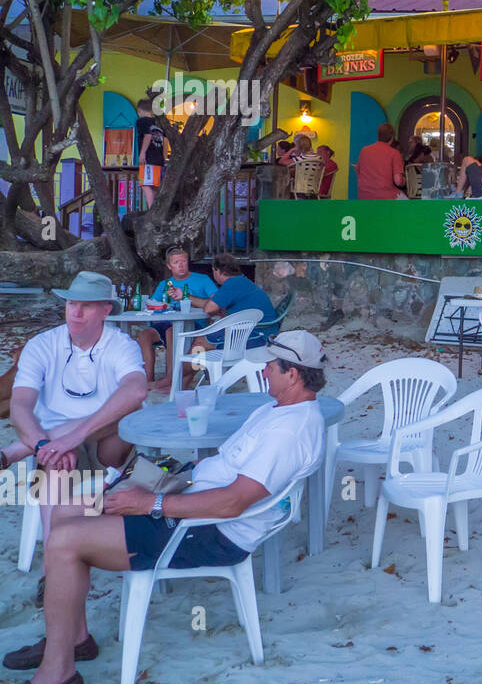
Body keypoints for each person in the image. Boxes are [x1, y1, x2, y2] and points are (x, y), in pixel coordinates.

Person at [0, 331, 327, 684]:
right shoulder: (277, 410)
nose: (265, 371)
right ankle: (73, 638)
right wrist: (166, 482)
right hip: (189, 502)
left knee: (65, 541)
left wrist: (151, 502)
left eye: (272, 366)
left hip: (207, 532)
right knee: (67, 508)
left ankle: (58, 674)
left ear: (294, 375)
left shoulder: (290, 430)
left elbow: (233, 502)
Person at [1, 272, 149, 611]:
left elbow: (137, 390)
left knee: (124, 413)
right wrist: (42, 445)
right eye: (70, 304)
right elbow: (20, 406)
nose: (75, 313)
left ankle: (11, 454)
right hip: (50, 447)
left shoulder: (119, 345)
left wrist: (75, 436)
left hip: (107, 446)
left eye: (85, 306)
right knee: (54, 466)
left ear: (106, 310)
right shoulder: (43, 344)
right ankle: (53, 572)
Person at [174, 254, 279, 389]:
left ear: (217, 270)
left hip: (255, 336)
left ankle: (174, 381)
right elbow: (212, 305)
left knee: (199, 344)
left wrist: (186, 297)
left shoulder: (231, 284)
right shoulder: (240, 281)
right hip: (263, 332)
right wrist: (185, 295)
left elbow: (209, 309)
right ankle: (179, 384)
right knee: (201, 343)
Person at [134, 246, 219, 388]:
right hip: (167, 321)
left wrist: (186, 297)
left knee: (171, 331)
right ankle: (147, 380)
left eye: (183, 261)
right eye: (176, 262)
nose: (181, 265)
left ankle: (170, 379)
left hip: (194, 326)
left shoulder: (202, 279)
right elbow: (152, 305)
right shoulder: (164, 284)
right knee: (144, 334)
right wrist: (161, 305)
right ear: (169, 266)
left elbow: (217, 303)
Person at [357, 124, 406, 200]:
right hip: (386, 196)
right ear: (392, 137)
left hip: (364, 196)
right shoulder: (394, 153)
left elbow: (358, 172)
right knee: (410, 208)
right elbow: (398, 181)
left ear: (378, 135)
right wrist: (404, 181)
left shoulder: (364, 150)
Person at [135, 100, 167, 209]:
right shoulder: (159, 123)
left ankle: (151, 210)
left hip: (148, 158)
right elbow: (165, 141)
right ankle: (156, 209)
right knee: (154, 186)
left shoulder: (142, 121)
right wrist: (164, 157)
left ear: (139, 111)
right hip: (159, 159)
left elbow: (148, 136)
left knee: (145, 185)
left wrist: (142, 153)